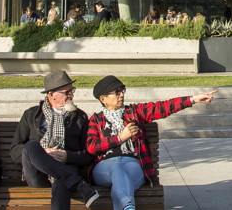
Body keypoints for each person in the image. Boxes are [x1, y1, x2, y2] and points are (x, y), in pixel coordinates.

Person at [86, 76, 216, 210]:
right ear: (103, 99)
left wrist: (193, 99)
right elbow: (91, 146)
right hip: (105, 167)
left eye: (122, 91)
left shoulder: (134, 112)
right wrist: (120, 138)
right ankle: (128, 206)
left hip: (132, 164)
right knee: (117, 167)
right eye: (116, 92)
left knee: (121, 180)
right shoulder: (96, 120)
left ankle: (128, 206)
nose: (121, 95)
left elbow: (162, 107)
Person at [10, 71, 99, 209]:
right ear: (51, 94)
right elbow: (15, 149)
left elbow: (87, 155)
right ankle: (78, 183)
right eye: (67, 92)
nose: (71, 95)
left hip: (65, 168)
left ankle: (70, 179)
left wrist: (68, 156)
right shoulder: (31, 115)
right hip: (37, 173)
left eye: (72, 91)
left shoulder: (79, 117)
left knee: (61, 184)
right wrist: (42, 154)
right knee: (31, 146)